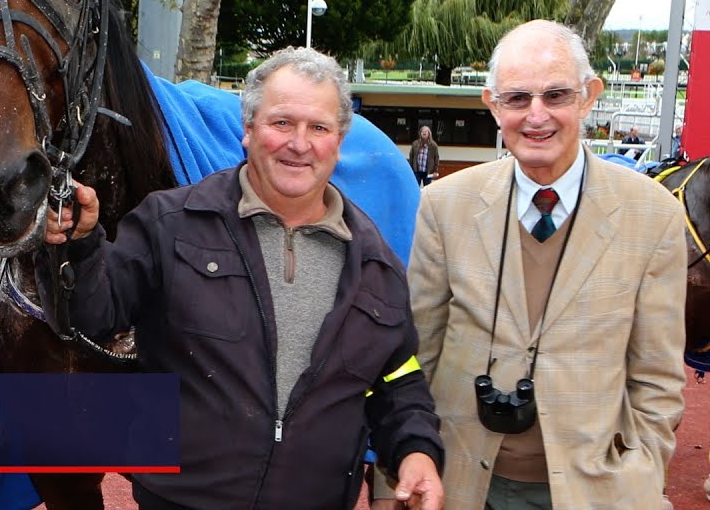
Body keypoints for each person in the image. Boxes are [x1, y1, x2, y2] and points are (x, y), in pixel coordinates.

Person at [45, 47, 445, 510]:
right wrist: (79, 243)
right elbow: (91, 315)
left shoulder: (377, 263)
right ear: (248, 131)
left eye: (318, 127)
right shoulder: (168, 223)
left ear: (339, 142)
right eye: (282, 123)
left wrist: (416, 451)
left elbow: (398, 379)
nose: (300, 143)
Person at [377, 20, 686, 508]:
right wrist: (391, 478)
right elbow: (414, 357)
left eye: (556, 95)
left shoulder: (654, 215)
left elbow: (658, 378)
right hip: (462, 486)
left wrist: (639, 477)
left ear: (589, 97)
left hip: (595, 491)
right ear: (492, 105)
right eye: (518, 99)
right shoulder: (444, 205)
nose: (536, 116)